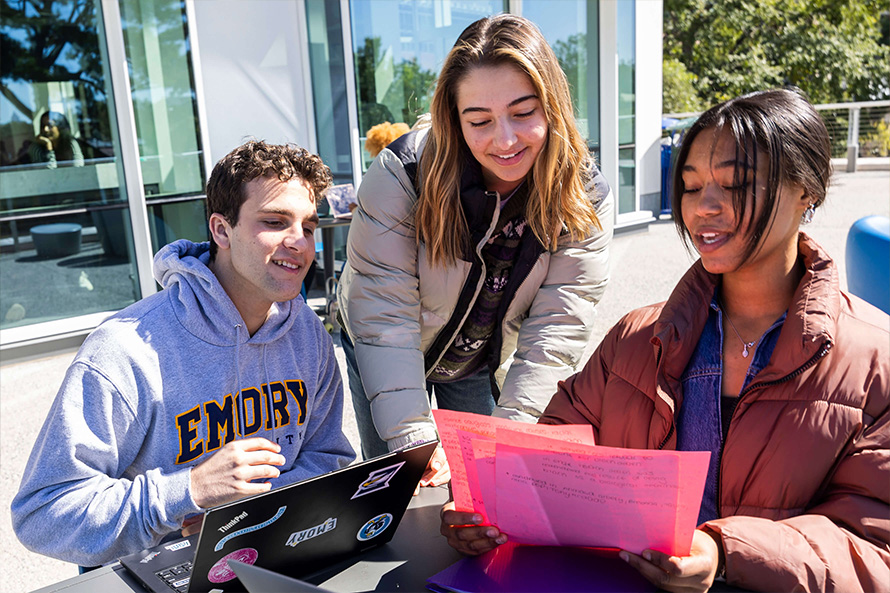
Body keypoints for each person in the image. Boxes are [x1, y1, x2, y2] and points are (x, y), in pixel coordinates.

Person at [441, 88, 890, 592]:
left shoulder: (878, 363)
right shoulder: (636, 338)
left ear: (805, 190)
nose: (704, 208)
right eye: (692, 187)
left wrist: (724, 552)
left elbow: (873, 544)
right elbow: (549, 462)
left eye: (735, 185)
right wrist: (486, 505)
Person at [12, 141, 355, 567]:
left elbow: (328, 457)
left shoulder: (306, 333)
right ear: (221, 230)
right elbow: (43, 514)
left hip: (270, 559)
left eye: (308, 226)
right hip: (152, 574)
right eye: (275, 221)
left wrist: (250, 511)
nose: (300, 243)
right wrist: (188, 491)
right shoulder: (125, 349)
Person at [337, 14, 614, 483]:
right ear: (453, 119)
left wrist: (517, 433)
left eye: (524, 113)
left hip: (476, 352)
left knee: (488, 477)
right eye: (479, 121)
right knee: (399, 482)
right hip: (384, 336)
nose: (504, 140)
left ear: (552, 106)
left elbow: (558, 325)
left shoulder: (582, 193)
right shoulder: (402, 175)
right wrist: (412, 439)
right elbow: (383, 316)